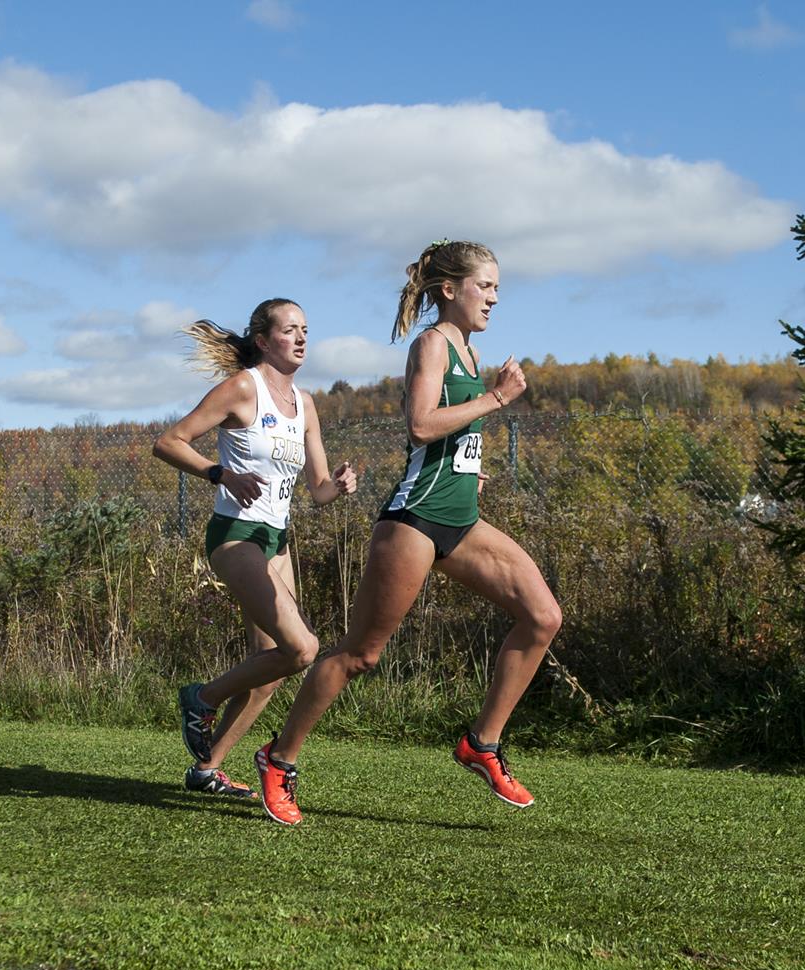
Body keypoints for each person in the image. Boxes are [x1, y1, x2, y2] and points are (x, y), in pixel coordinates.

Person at [253, 241, 561, 826]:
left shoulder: (470, 350)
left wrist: (469, 464)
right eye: (485, 286)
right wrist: (497, 398)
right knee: (360, 654)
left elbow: (450, 435)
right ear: (449, 289)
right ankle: (279, 758)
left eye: (497, 288)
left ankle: (482, 743)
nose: (494, 298)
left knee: (543, 617)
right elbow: (420, 426)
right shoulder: (433, 344)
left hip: (461, 519)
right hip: (415, 520)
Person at [152, 299, 359, 797]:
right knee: (303, 649)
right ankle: (201, 698)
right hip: (236, 535)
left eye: (306, 329)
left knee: (270, 669)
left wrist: (339, 485)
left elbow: (317, 490)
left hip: (276, 541)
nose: (302, 338)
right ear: (264, 341)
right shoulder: (244, 387)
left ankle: (207, 770)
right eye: (290, 330)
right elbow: (169, 441)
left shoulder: (305, 404)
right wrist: (219, 473)